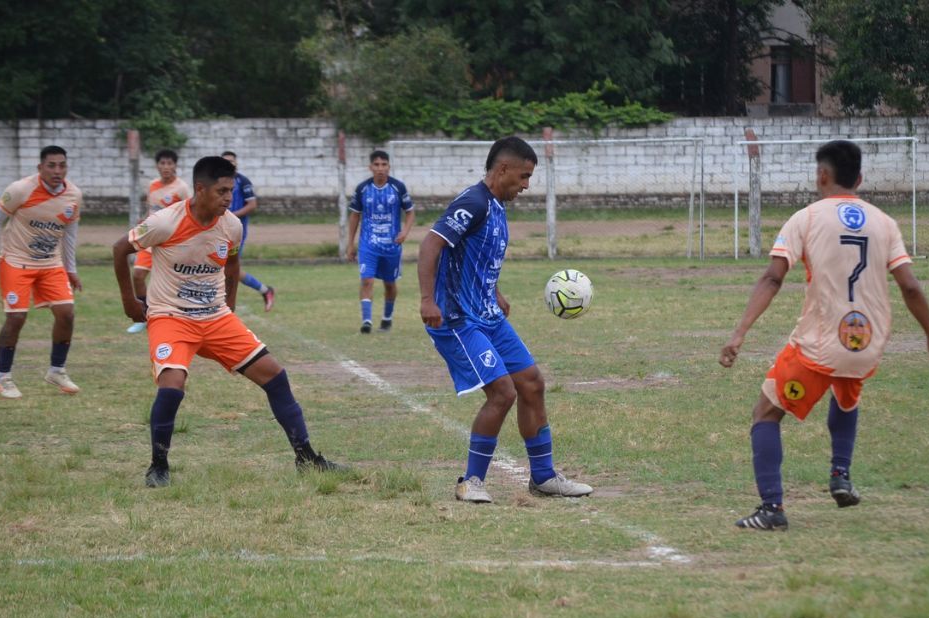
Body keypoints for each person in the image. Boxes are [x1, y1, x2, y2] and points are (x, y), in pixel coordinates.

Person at [719, 140, 929, 531]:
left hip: (820, 344)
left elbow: (773, 277)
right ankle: (840, 473)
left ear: (821, 176)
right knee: (845, 395)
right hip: (865, 343)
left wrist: (739, 332)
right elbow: (910, 287)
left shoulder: (806, 219)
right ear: (859, 179)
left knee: (765, 412)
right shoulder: (884, 222)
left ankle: (772, 509)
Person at [111, 155, 343, 487]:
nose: (227, 198)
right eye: (221, 191)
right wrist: (130, 302)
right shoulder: (165, 222)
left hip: (215, 317)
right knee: (172, 387)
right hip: (171, 317)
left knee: (276, 377)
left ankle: (306, 458)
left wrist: (228, 309)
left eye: (230, 191)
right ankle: (158, 465)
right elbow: (120, 250)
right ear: (200, 189)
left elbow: (232, 266)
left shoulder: (230, 225)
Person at [419, 136, 593, 503]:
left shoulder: (497, 206)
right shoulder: (473, 202)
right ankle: (471, 481)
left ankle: (544, 478)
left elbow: (478, 256)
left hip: (488, 314)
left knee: (532, 383)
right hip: (457, 318)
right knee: (503, 392)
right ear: (503, 169)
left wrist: (494, 291)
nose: (527, 185)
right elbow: (430, 245)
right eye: (524, 176)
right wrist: (425, 300)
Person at [0, 145, 83, 399]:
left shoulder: (74, 195)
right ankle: (3, 377)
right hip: (16, 261)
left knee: (67, 314)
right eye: (51, 165)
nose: (57, 171)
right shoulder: (20, 189)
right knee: (16, 318)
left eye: (62, 165)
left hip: (51, 264)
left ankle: (57, 370)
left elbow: (69, 233)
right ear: (40, 168)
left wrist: (71, 269)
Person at [347, 150, 415, 333]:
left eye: (384, 165)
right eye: (376, 165)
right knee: (366, 280)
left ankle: (387, 318)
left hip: (392, 246)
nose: (380, 168)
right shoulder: (362, 189)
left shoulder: (398, 188)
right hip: (368, 244)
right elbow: (354, 216)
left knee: (389, 284)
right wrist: (350, 244)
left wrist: (405, 232)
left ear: (389, 167)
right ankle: (367, 321)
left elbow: (410, 212)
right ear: (370, 167)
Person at [127, 148, 192, 334]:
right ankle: (144, 316)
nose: (166, 167)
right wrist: (144, 221)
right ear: (157, 166)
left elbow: (189, 214)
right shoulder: (152, 185)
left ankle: (182, 316)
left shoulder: (182, 188)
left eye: (169, 163)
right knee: (138, 275)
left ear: (175, 166)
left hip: (172, 242)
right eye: (162, 163)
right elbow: (152, 210)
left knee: (175, 281)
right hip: (151, 238)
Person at [221, 151, 275, 311]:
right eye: (226, 162)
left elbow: (252, 205)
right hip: (218, 231)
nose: (230, 164)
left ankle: (225, 305)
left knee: (228, 268)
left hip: (237, 233)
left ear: (236, 163)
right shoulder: (216, 182)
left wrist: (231, 216)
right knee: (223, 268)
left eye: (232, 161)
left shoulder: (243, 181)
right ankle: (264, 290)